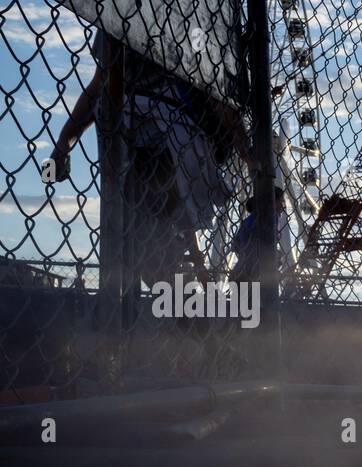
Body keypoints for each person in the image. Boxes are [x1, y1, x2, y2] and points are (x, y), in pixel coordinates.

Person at [48, 29, 252, 302]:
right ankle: (195, 314)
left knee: (146, 252)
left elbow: (99, 87)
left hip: (156, 148)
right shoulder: (177, 24)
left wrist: (63, 144)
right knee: (149, 252)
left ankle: (187, 310)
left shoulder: (183, 23)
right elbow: (101, 86)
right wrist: (63, 144)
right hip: (158, 149)